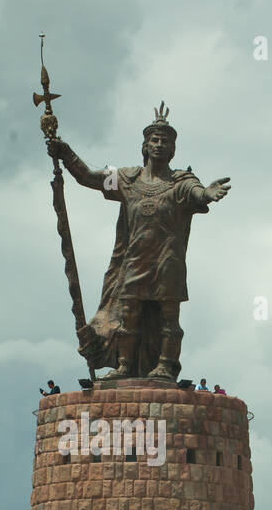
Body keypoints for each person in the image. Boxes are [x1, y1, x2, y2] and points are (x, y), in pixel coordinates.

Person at [47, 105, 230, 381]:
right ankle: (124, 366)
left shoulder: (180, 180)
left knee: (169, 318)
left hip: (168, 262)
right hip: (135, 260)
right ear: (144, 146)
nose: (158, 145)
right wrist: (65, 153)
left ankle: (166, 366)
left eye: (165, 142)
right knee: (128, 314)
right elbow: (88, 177)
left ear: (172, 151)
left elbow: (196, 193)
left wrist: (207, 193)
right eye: (154, 140)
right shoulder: (127, 179)